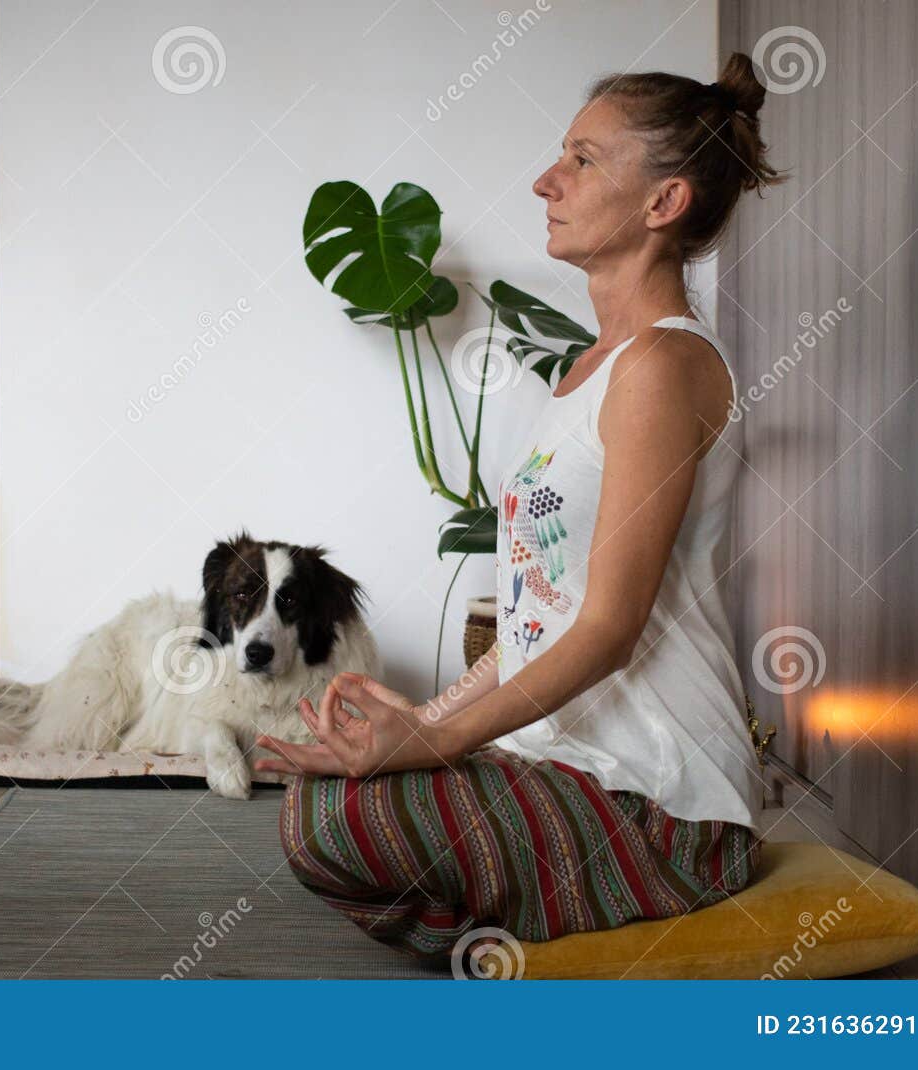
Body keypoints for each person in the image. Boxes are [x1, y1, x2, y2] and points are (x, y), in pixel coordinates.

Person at [254, 53, 787, 964]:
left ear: (664, 204)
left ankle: (566, 943)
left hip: (664, 795)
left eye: (583, 160)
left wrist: (435, 744)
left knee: (340, 830)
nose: (548, 180)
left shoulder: (662, 368)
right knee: (321, 809)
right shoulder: (591, 371)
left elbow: (611, 627)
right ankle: (529, 931)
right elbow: (538, 620)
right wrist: (425, 722)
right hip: (564, 757)